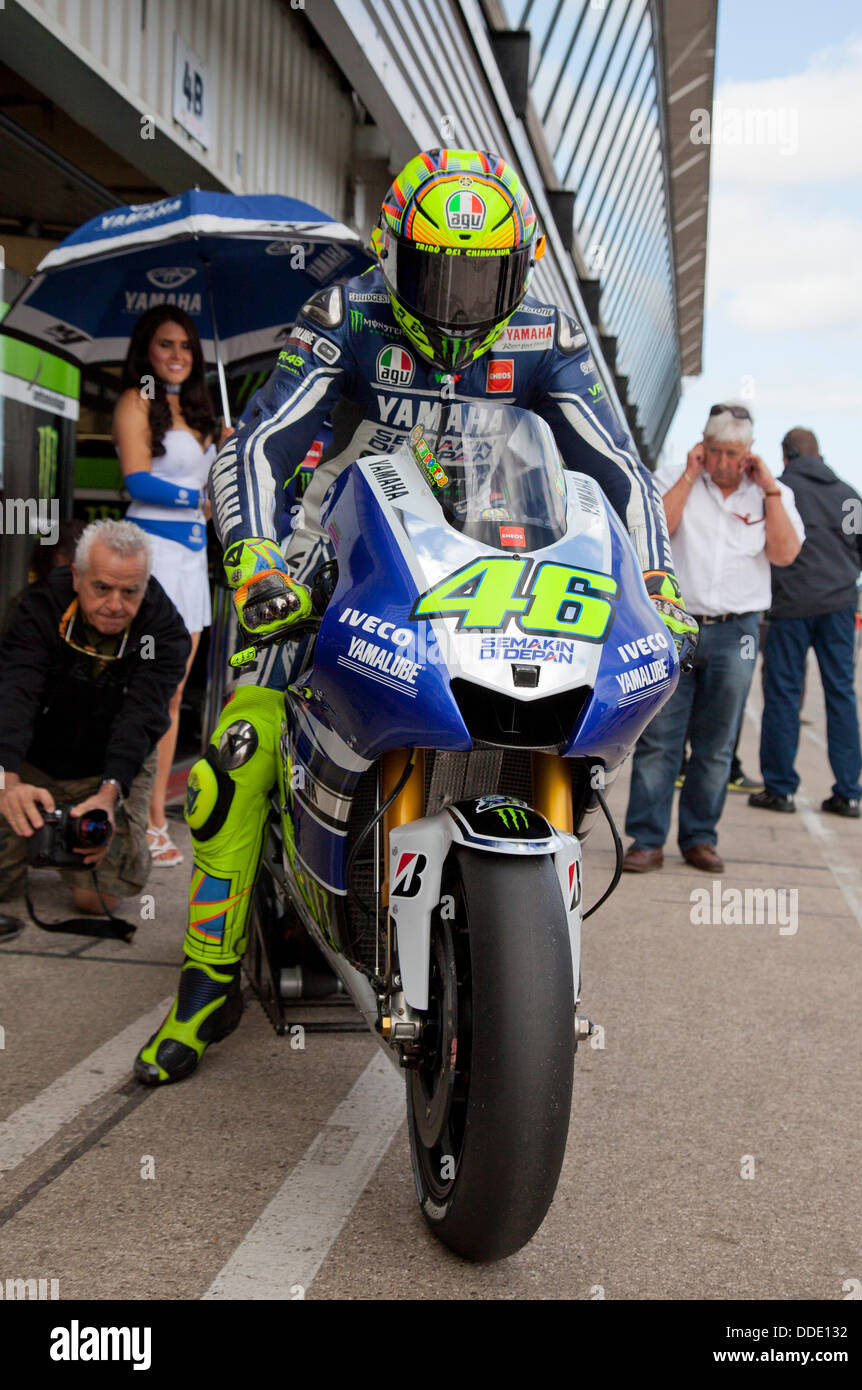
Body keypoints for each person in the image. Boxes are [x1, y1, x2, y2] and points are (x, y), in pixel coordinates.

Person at [133, 147, 698, 1086]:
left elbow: (618, 466)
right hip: (345, 551)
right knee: (237, 750)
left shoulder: (545, 332)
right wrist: (257, 556)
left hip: (490, 555)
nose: (468, 295)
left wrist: (661, 583)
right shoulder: (346, 313)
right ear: (396, 255)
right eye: (445, 268)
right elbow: (264, 441)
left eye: (491, 272)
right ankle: (207, 978)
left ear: (521, 267)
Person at [622, 403, 804, 874]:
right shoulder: (674, 476)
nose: (724, 461)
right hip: (675, 625)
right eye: (717, 451)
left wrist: (769, 490)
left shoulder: (771, 493)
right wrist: (688, 475)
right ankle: (646, 839)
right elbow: (655, 530)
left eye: (734, 453)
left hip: (736, 631)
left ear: (749, 452)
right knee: (660, 738)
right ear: (703, 446)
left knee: (717, 743)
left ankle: (700, 838)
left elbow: (784, 554)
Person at [0, 520, 190, 935]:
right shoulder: (37, 609)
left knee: (95, 900)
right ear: (77, 577)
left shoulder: (166, 632)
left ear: (145, 583)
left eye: (130, 591)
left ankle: (111, 836)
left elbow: (141, 718)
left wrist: (109, 794)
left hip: (107, 761)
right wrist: (7, 781)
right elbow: (15, 695)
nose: (116, 604)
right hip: (31, 758)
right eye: (102, 588)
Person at [114, 306, 232, 867]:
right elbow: (135, 479)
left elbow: (210, 494)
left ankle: (153, 810)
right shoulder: (136, 402)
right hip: (150, 557)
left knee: (174, 694)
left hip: (191, 562)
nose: (178, 356)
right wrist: (197, 497)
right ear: (147, 350)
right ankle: (144, 817)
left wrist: (227, 452)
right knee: (145, 689)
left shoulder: (202, 412)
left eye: (186, 346)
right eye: (166, 345)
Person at [749, 427, 862, 817]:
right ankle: (849, 793)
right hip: (839, 606)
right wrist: (841, 570)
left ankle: (780, 789)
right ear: (818, 455)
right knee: (841, 694)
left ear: (787, 456)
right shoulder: (847, 494)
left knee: (784, 696)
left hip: (789, 606)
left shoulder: (777, 491)